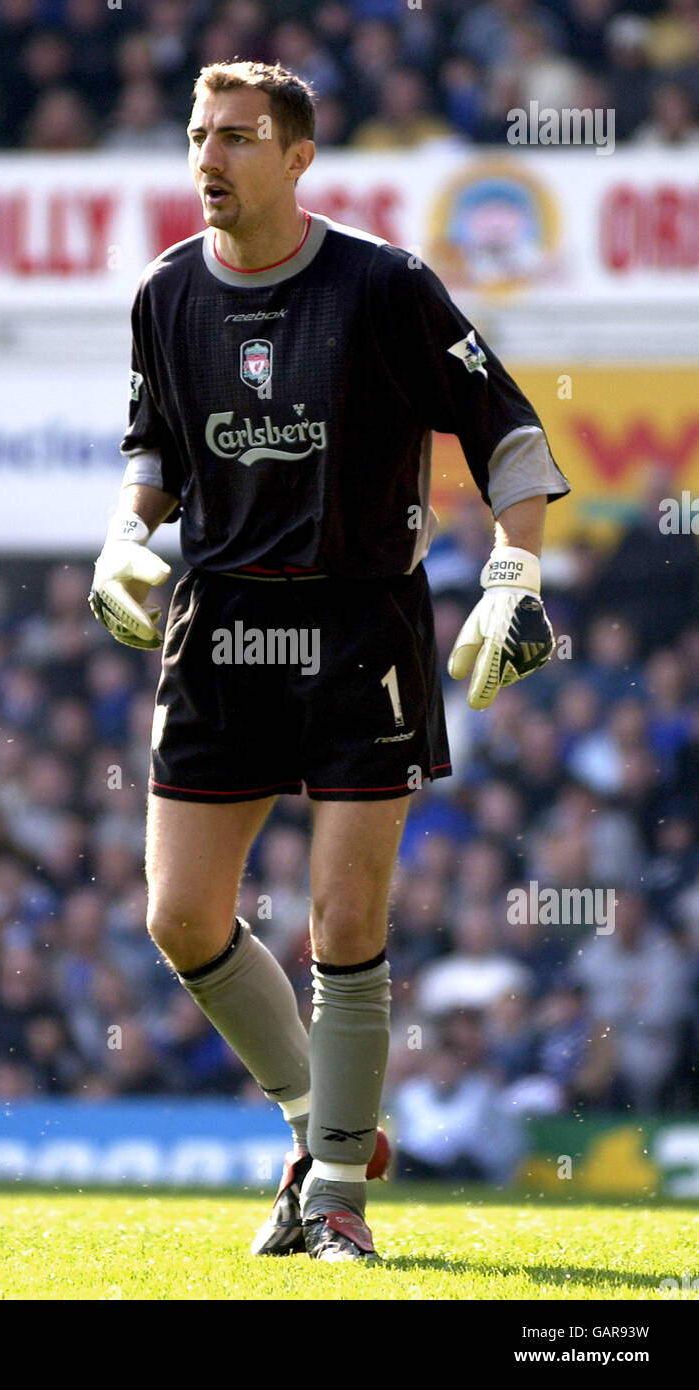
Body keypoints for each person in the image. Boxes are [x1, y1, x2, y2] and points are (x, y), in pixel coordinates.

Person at [88, 59, 569, 1263]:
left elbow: (507, 433)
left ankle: (335, 1197)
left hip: (360, 629)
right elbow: (153, 449)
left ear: (297, 157)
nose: (209, 159)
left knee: (342, 917)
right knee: (180, 916)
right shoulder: (162, 291)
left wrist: (513, 573)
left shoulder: (384, 284)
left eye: (237, 138)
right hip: (220, 626)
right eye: (198, 136)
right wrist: (121, 534)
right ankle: (323, 1121)